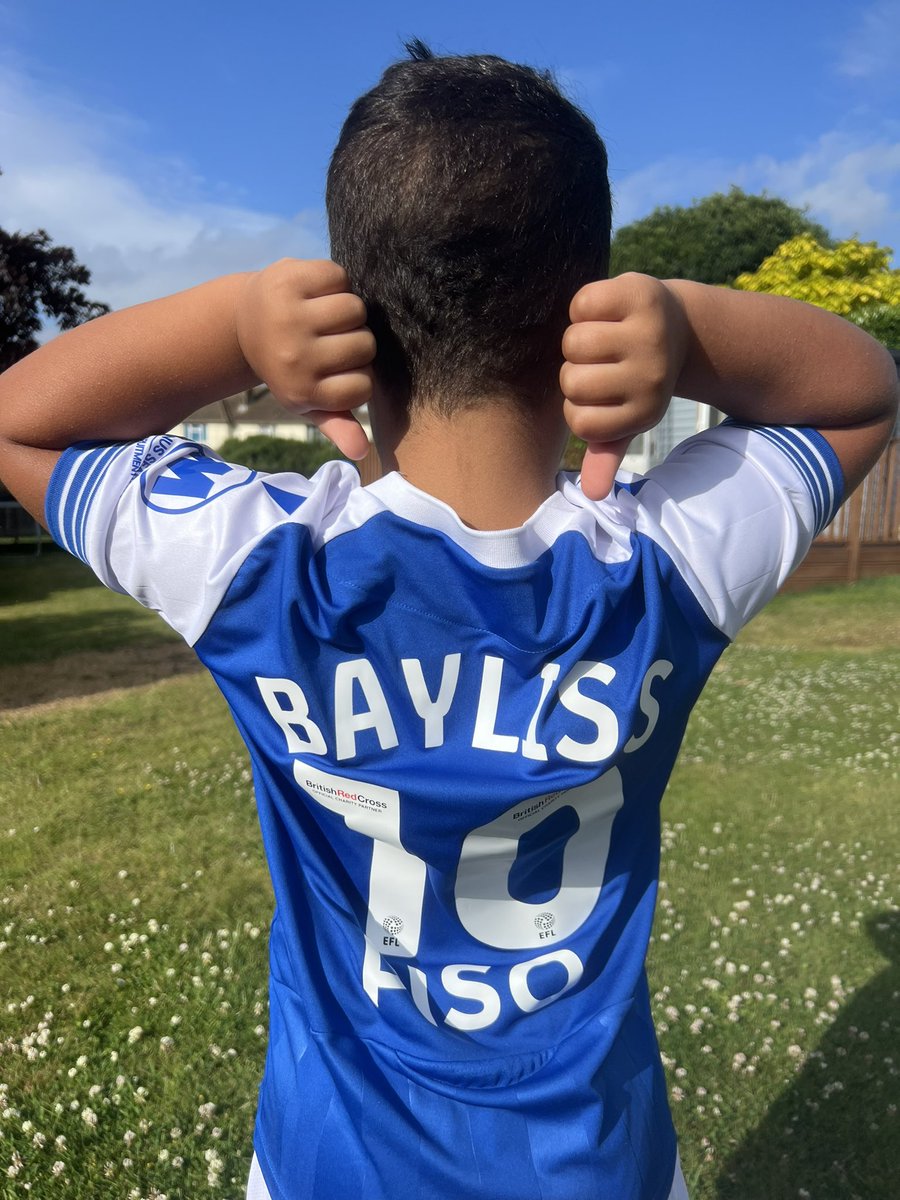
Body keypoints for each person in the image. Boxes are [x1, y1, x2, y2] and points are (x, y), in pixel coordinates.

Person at [0, 42, 896, 1200]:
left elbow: (23, 421)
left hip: (332, 1162)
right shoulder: (664, 563)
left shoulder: (264, 567)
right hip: (595, 1163)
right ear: (585, 307)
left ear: (351, 313)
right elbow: (863, 394)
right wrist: (688, 328)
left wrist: (233, 325)